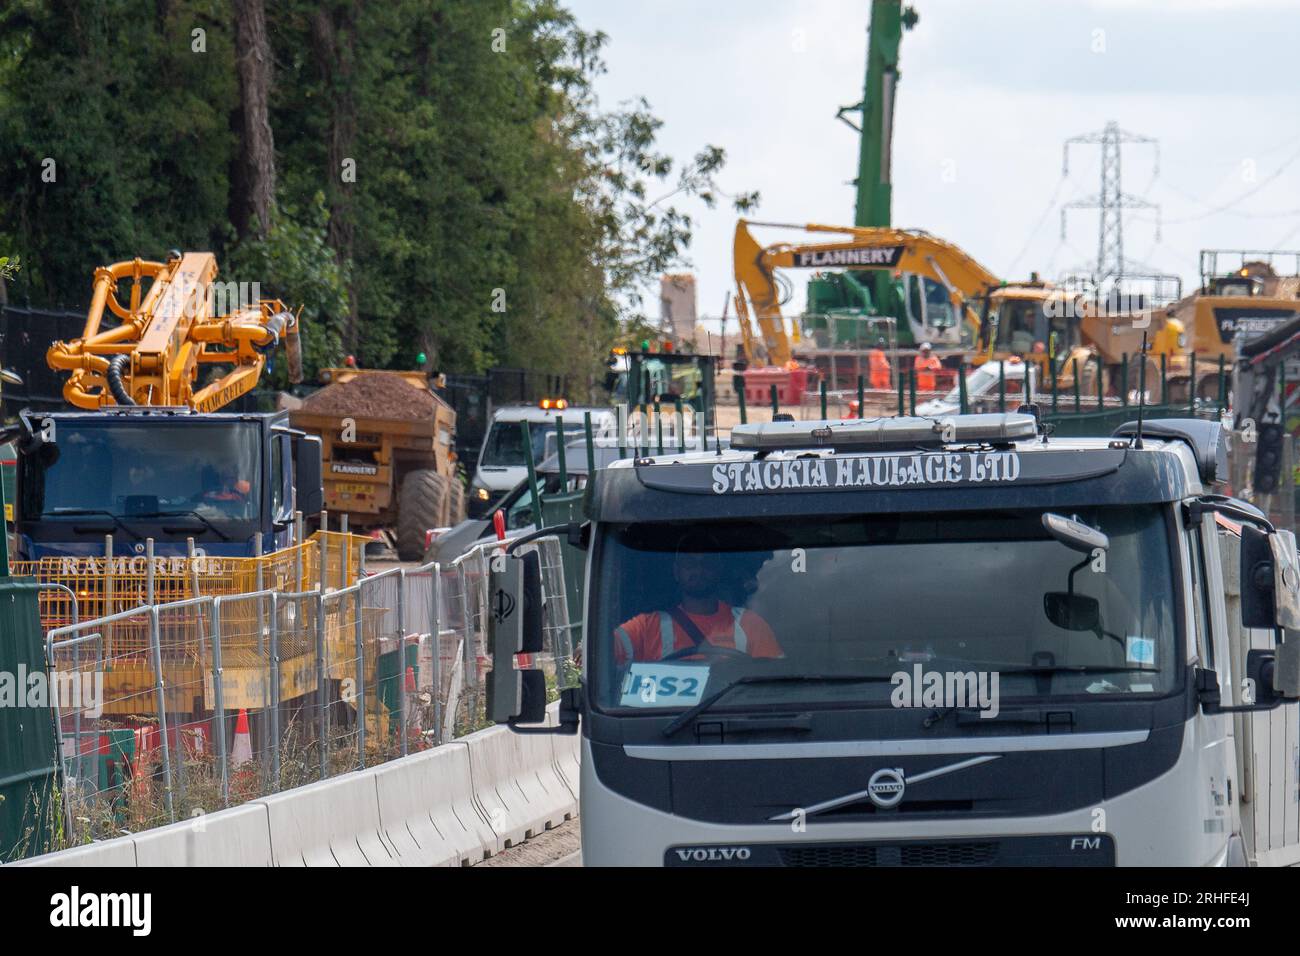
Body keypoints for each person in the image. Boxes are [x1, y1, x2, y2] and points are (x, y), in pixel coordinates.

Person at [613, 534, 782, 664]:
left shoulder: (750, 624)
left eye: (707, 563)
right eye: (689, 563)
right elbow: (601, 653)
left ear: (718, 570)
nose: (699, 570)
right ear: (676, 571)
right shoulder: (647, 627)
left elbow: (772, 682)